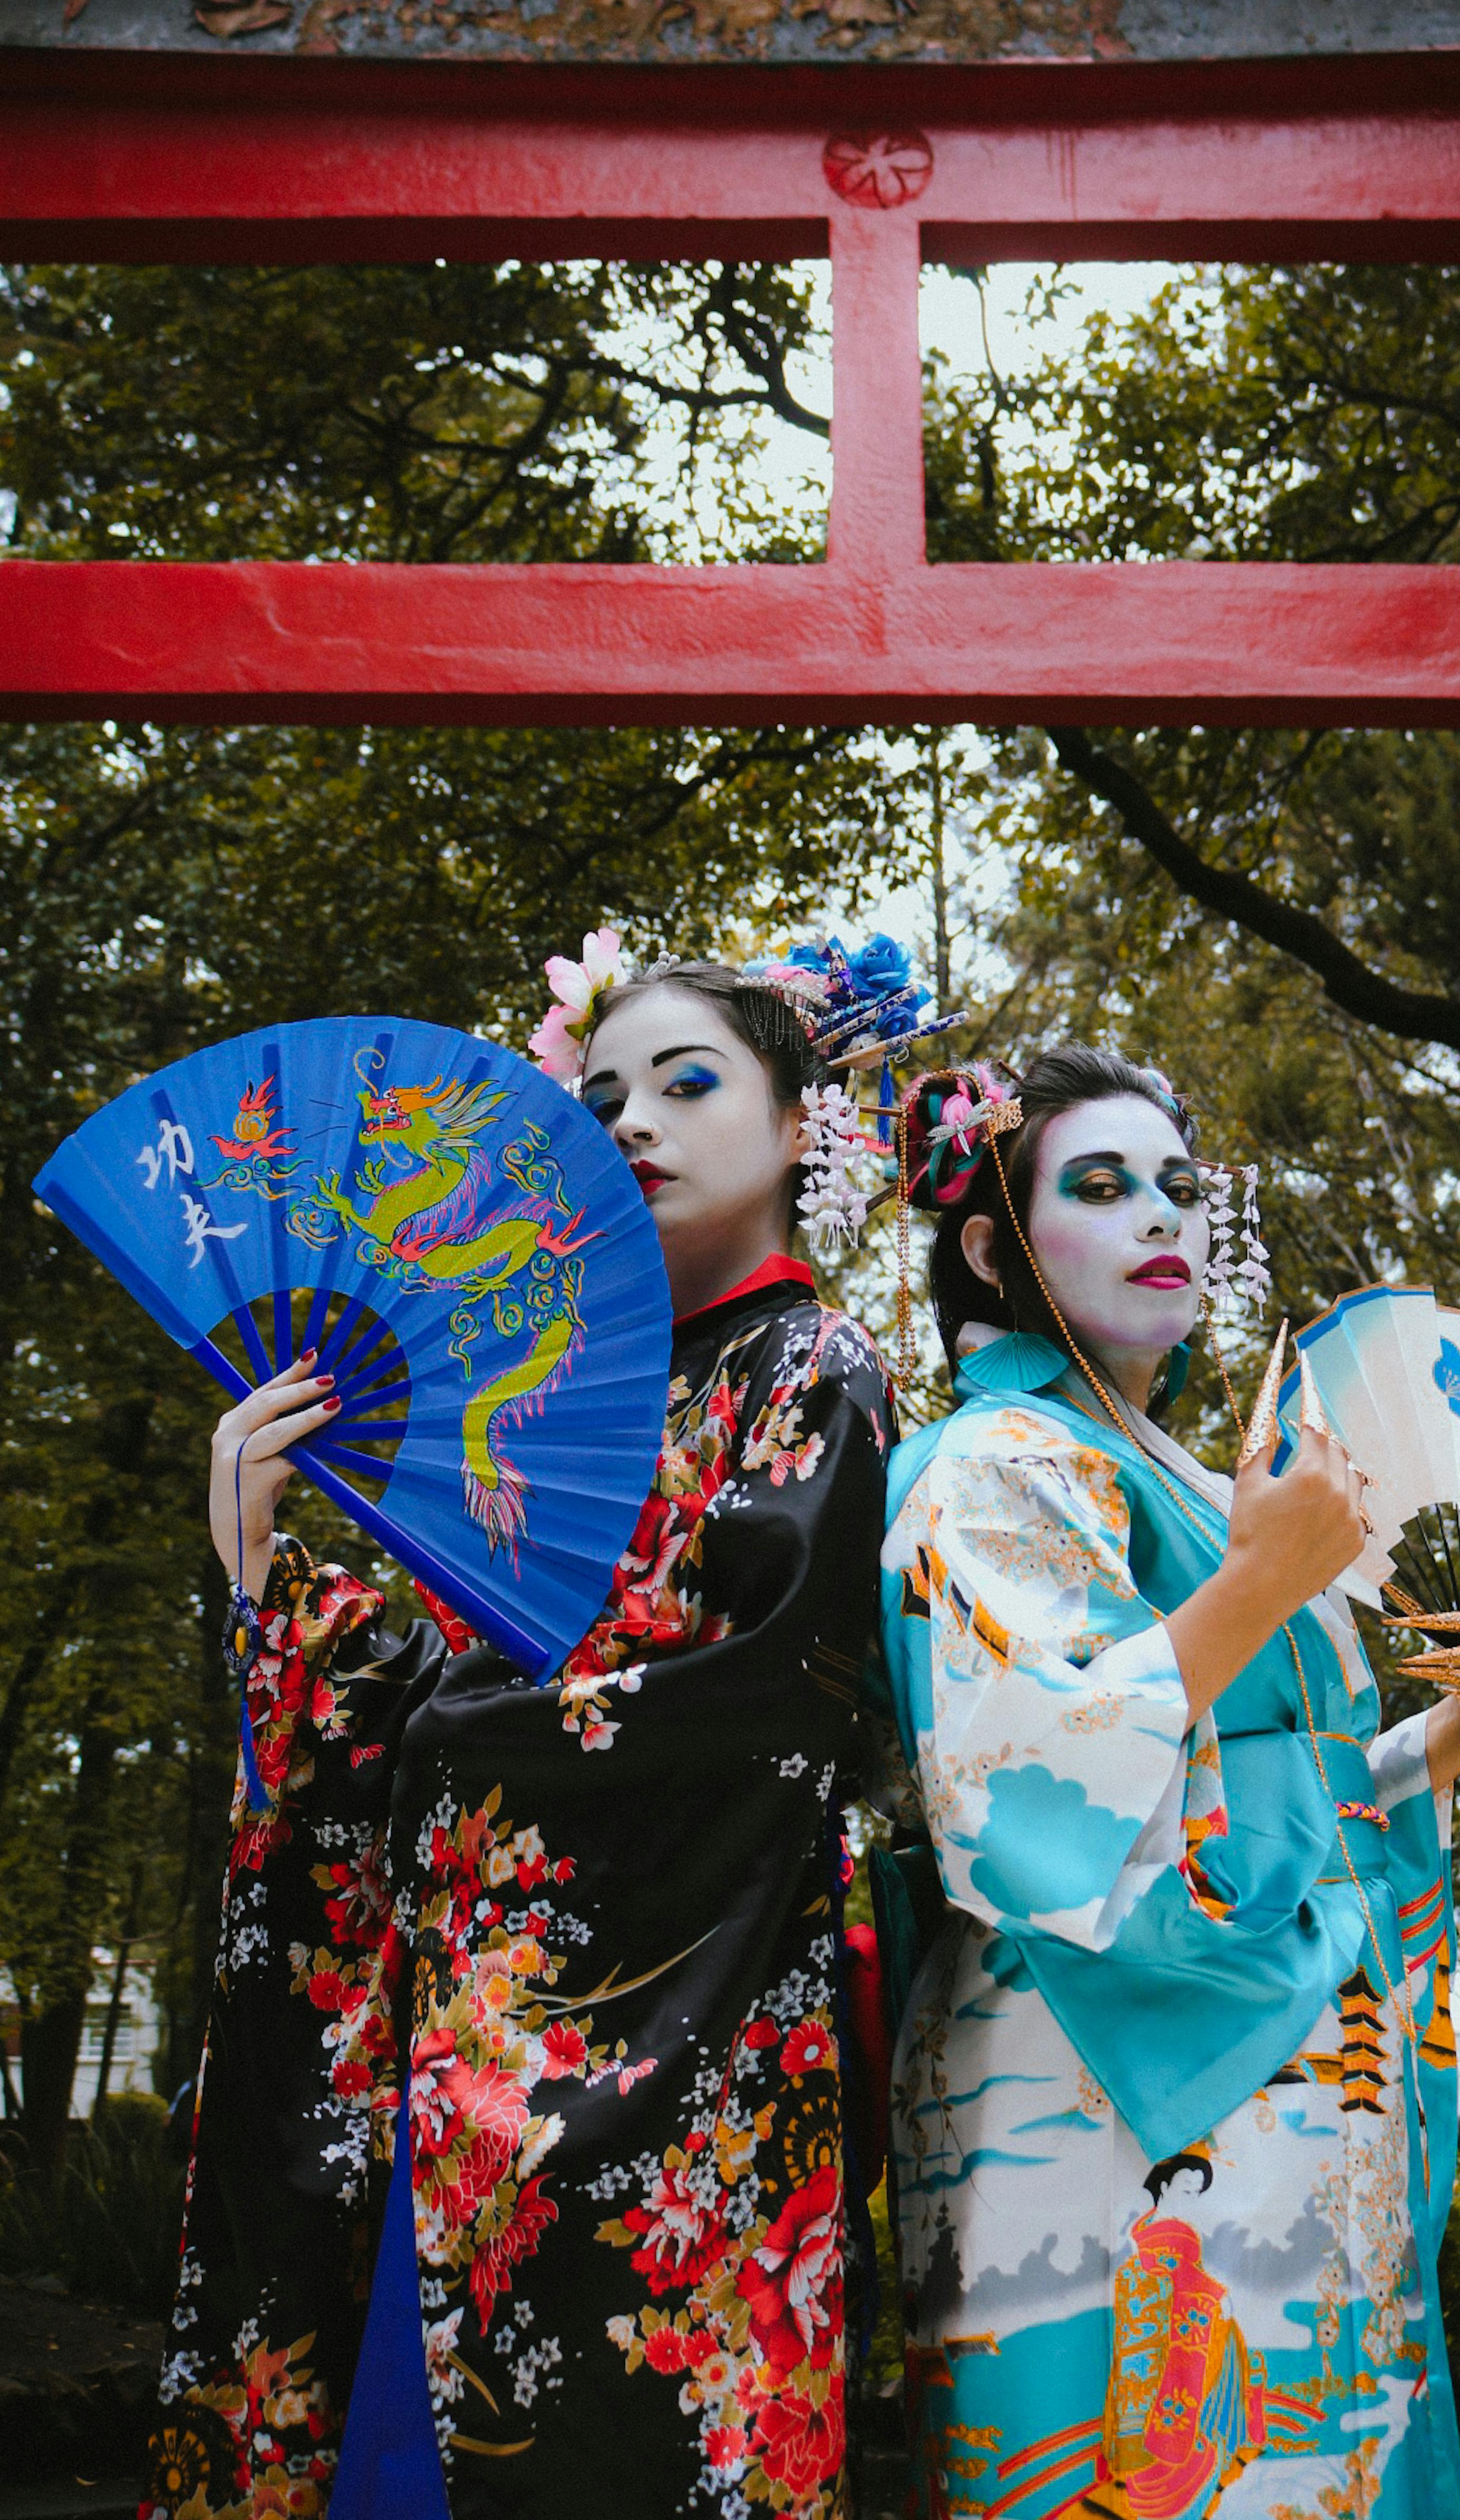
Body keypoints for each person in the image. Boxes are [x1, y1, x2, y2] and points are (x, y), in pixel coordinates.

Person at [146, 950, 900, 2520]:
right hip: (458, 2060)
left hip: (684, 2030)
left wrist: (454, 1745)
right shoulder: (547, 1404)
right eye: (599, 1096)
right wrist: (257, 1561)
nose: (633, 1122)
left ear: (796, 1126)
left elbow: (765, 1698)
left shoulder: (813, 1371)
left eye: (689, 1083)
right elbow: (415, 1678)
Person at [877, 1046, 1460, 2520]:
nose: (1159, 1218)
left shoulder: (1177, 1466)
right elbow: (1020, 1790)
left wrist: (1441, 1744)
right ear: (994, 1248)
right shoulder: (992, 1459)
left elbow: (1268, 1789)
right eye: (1101, 1188)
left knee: (1305, 2460)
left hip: (1281, 2060)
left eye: (1178, 1187)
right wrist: (1250, 1588)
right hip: (1103, 2079)